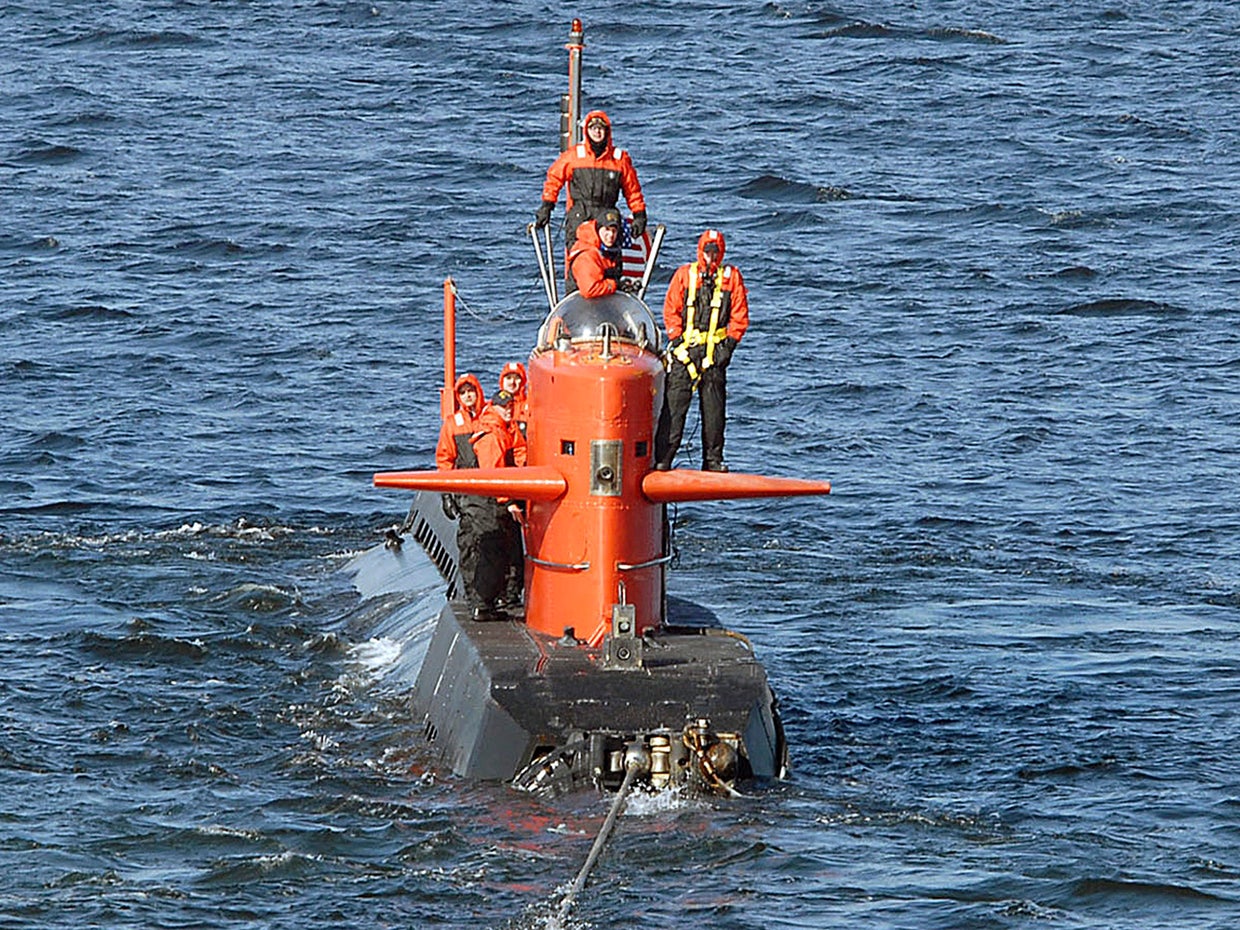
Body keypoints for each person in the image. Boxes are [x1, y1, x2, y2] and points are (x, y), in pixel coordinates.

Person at [653, 230, 749, 473]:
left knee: (715, 412)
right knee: (674, 409)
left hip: (715, 355)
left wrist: (728, 346)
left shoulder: (731, 278)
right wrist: (675, 340)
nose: (711, 257)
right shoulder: (685, 275)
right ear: (700, 252)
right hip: (686, 354)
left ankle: (713, 459)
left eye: (715, 253)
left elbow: (740, 315)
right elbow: (671, 308)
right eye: (707, 252)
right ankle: (663, 458)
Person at [456, 390, 527, 620]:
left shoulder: (504, 429)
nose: (508, 410)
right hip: (486, 502)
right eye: (503, 406)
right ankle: (481, 605)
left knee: (497, 550)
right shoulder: (492, 435)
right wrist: (508, 502)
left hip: (489, 500)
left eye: (510, 406)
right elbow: (493, 475)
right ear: (493, 407)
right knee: (489, 551)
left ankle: (488, 602)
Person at [534, 110, 647, 251]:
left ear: (607, 131)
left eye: (601, 129)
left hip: (607, 215)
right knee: (581, 260)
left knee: (609, 263)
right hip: (580, 214)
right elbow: (554, 179)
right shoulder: (573, 157)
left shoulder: (619, 160)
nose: (597, 132)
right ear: (587, 131)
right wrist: (547, 207)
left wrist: (639, 215)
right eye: (593, 128)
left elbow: (633, 191)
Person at [566, 208, 625, 298]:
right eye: (607, 230)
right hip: (582, 307)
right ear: (598, 230)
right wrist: (615, 285)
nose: (610, 235)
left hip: (602, 305)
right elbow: (589, 289)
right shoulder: (587, 255)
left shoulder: (609, 252)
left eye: (614, 231)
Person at [435, 373, 486, 470]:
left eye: (470, 391)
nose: (467, 396)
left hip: (487, 476)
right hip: (464, 477)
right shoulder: (452, 423)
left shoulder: (490, 415)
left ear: (477, 391)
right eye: (462, 393)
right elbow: (444, 457)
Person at [497, 361, 530, 437]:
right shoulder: (493, 405)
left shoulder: (530, 404)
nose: (512, 382)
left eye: (517, 378)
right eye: (509, 378)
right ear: (502, 380)